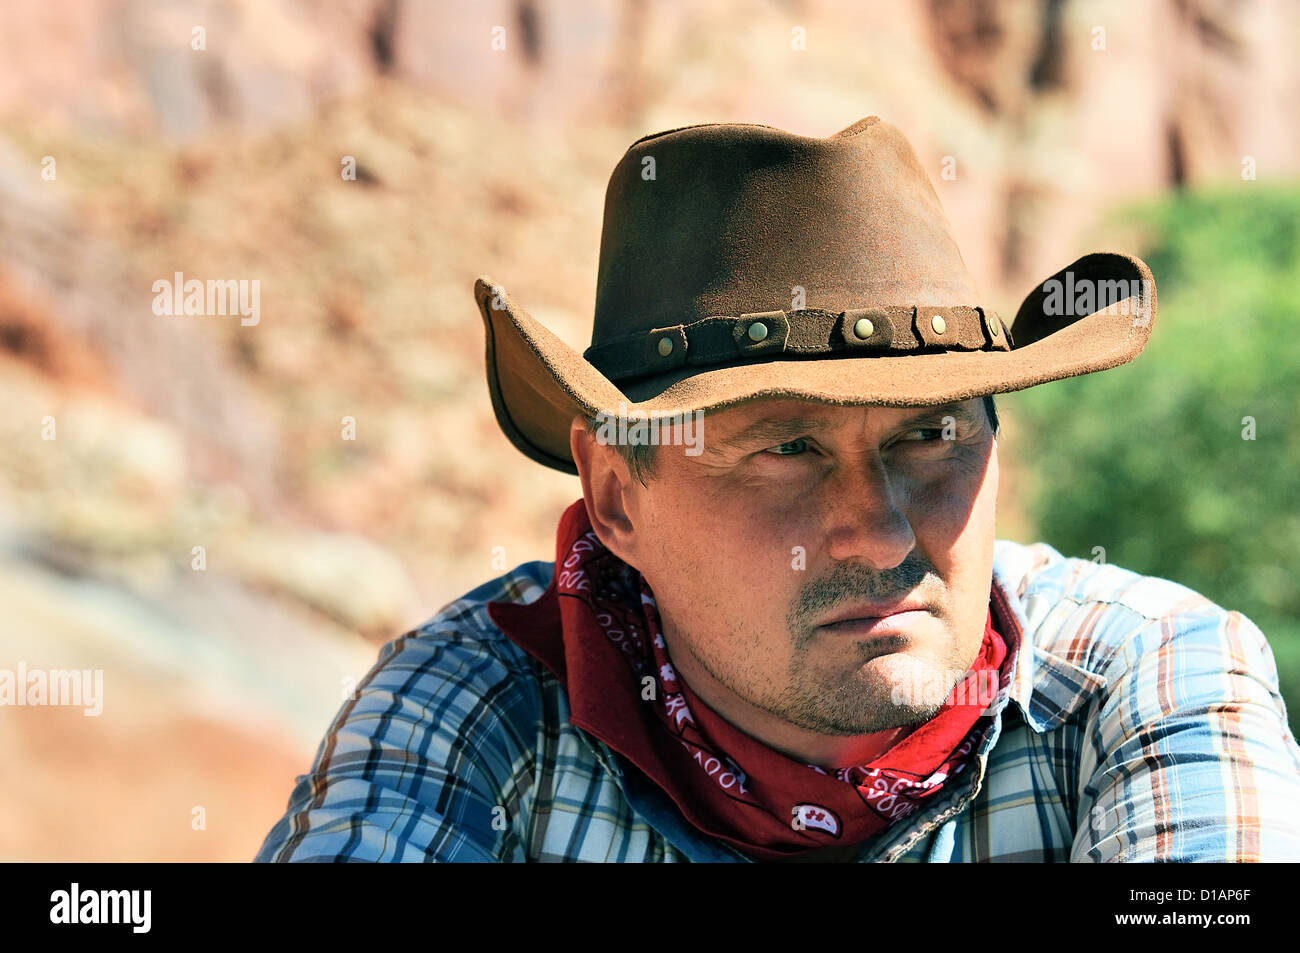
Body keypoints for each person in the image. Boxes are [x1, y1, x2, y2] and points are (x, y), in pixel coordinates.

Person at [255, 116, 1300, 862]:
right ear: (617, 497)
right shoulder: (486, 697)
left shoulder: (1147, 676)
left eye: (929, 436)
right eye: (786, 449)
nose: (874, 528)